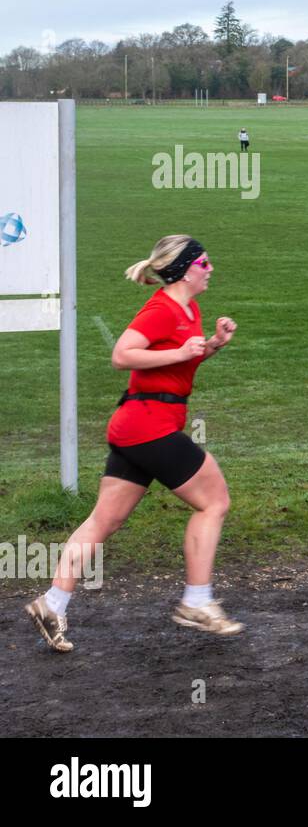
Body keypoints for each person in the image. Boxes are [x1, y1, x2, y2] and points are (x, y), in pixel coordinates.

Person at [26, 235, 242, 652]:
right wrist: (181, 352)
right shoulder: (161, 309)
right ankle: (196, 602)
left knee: (104, 521)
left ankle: (52, 603)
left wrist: (211, 345)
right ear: (184, 270)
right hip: (150, 426)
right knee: (213, 502)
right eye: (205, 262)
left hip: (135, 426)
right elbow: (123, 355)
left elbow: (177, 363)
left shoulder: (189, 308)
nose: (210, 268)